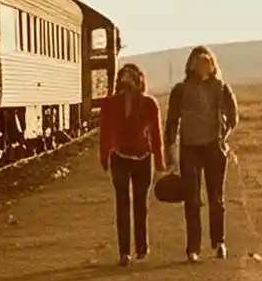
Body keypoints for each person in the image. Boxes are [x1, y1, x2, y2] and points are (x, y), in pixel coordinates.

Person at [164, 46, 239, 263]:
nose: (202, 66)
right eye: (197, 62)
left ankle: (219, 242)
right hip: (190, 148)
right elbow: (171, 122)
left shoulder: (221, 88)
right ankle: (193, 248)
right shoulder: (180, 90)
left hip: (214, 147)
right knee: (192, 199)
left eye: (206, 62)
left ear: (213, 65)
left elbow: (233, 116)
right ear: (190, 65)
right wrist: (170, 151)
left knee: (216, 197)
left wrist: (223, 135)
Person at [99, 63, 165, 266]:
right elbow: (105, 132)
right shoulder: (111, 104)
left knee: (140, 204)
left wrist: (159, 160)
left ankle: (142, 247)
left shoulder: (149, 104)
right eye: (124, 77)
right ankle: (124, 252)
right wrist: (104, 156)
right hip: (119, 157)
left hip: (142, 158)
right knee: (122, 203)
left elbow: (156, 134)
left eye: (132, 78)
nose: (127, 82)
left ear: (140, 80)